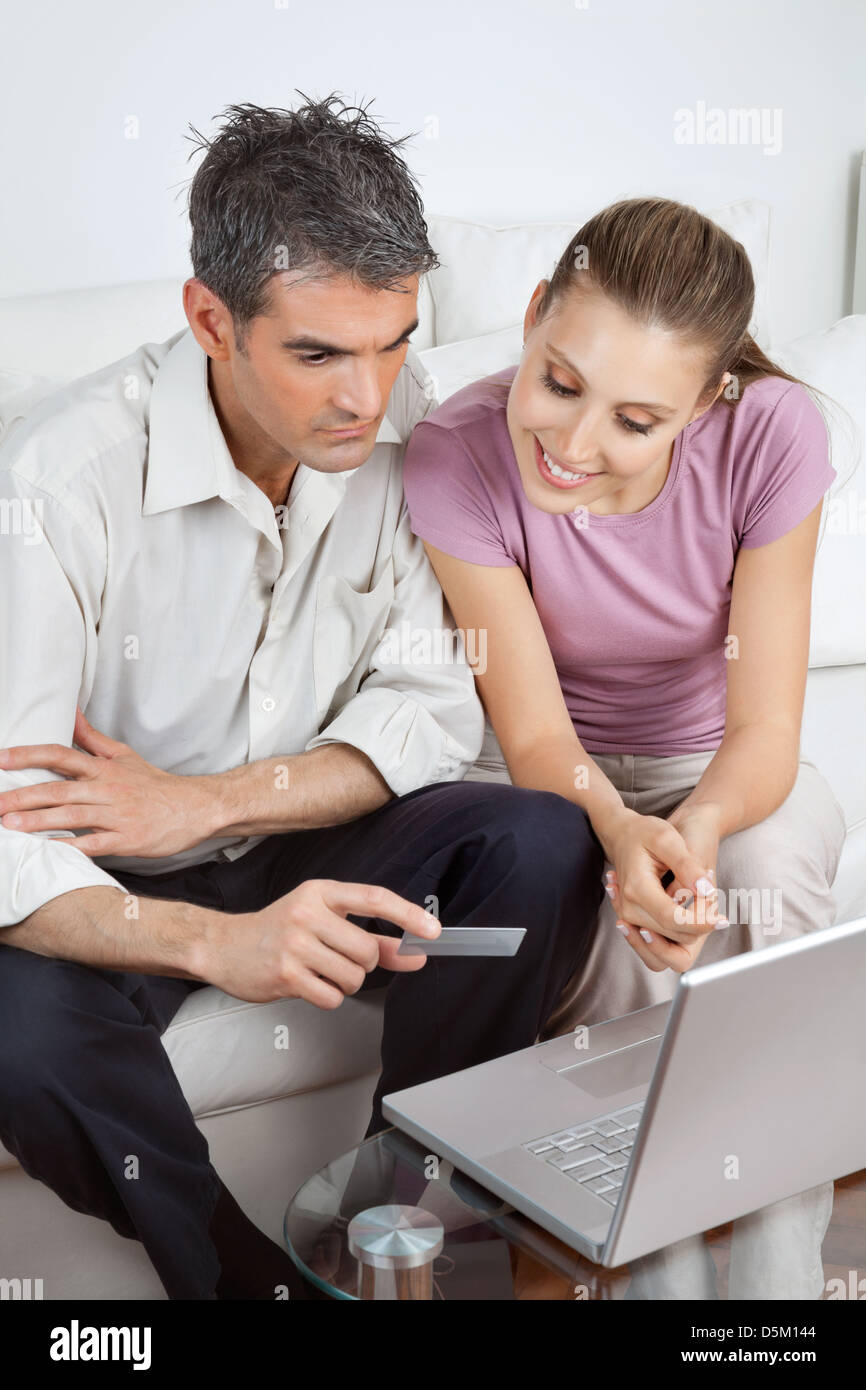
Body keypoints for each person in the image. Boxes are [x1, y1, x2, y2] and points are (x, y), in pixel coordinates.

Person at [0, 97, 605, 1301]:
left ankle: (413, 1221)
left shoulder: (413, 419)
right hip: (103, 878)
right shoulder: (56, 484)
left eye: (391, 341)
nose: (366, 395)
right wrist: (219, 942)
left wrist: (206, 803)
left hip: (294, 825)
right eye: (319, 353)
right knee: (20, 1036)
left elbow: (430, 707)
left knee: (539, 839)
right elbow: (8, 836)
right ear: (210, 319)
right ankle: (240, 1283)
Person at [401, 196, 848, 1299]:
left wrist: (692, 828)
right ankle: (651, 1287)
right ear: (530, 314)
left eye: (635, 421)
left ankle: (774, 1296)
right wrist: (619, 832)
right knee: (610, 915)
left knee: (764, 874)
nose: (571, 444)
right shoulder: (452, 457)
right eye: (558, 381)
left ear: (703, 405)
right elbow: (535, 730)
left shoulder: (775, 431)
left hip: (727, 773)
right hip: (557, 779)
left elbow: (765, 730)